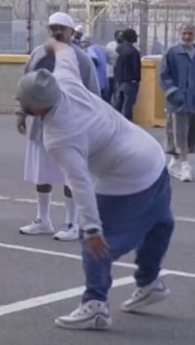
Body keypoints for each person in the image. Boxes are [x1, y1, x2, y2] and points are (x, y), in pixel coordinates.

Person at [16, 38, 174, 331]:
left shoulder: (59, 136)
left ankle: (95, 305)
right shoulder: (63, 82)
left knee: (96, 245)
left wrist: (91, 228)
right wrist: (54, 42)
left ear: (37, 109)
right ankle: (150, 281)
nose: (20, 105)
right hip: (153, 155)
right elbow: (64, 53)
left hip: (126, 175)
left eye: (22, 103)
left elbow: (80, 184)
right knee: (158, 220)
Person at [16, 12, 102, 242]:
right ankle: (43, 220)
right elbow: (26, 85)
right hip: (41, 125)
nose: (57, 32)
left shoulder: (81, 59)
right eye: (53, 27)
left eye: (61, 28)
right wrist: (21, 113)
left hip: (70, 128)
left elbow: (93, 92)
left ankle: (72, 223)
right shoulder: (38, 54)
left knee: (70, 174)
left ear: (71, 33)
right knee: (41, 172)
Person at [158, 24, 195, 182]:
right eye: (184, 33)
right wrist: (174, 92)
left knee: (188, 132)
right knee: (179, 131)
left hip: (192, 100)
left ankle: (174, 162)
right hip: (177, 101)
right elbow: (164, 75)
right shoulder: (172, 52)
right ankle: (185, 164)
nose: (187, 36)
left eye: (190, 34)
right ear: (180, 34)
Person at [112, 28, 141, 121]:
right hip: (130, 81)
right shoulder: (133, 51)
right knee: (128, 106)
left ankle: (116, 123)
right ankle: (126, 124)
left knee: (117, 104)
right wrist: (136, 79)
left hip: (119, 80)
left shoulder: (118, 49)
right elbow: (136, 68)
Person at [83, 36, 111, 104]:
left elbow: (94, 60)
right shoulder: (100, 48)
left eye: (83, 42)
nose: (82, 44)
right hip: (103, 80)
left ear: (88, 42)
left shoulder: (90, 49)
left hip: (96, 80)